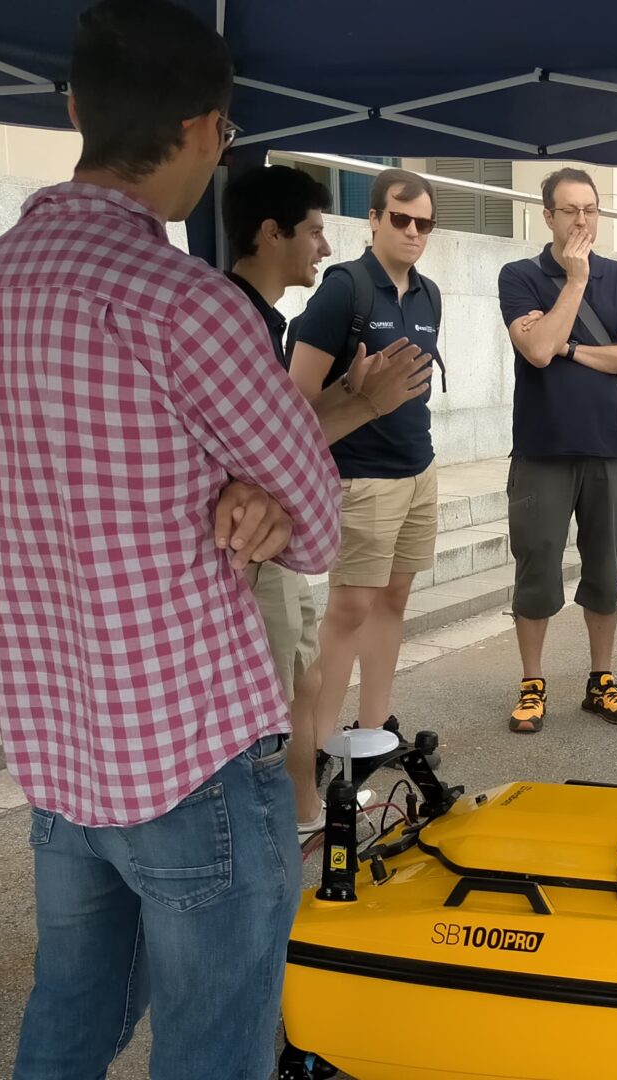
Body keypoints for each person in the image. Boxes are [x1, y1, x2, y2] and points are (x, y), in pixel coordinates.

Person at [0, 2, 401, 1074]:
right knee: (215, 1045)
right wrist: (258, 490)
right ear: (207, 128)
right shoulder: (184, 303)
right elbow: (317, 526)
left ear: (77, 108)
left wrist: (243, 483)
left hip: (57, 748)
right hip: (191, 750)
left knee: (70, 1017)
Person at [221, 164, 427, 836]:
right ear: (270, 233)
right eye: (313, 230)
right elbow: (268, 446)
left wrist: (356, 397)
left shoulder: (256, 316)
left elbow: (282, 426)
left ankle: (308, 810)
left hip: (277, 544)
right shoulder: (235, 319)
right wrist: (363, 403)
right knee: (289, 686)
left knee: (302, 676)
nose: (324, 245)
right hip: (254, 546)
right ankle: (291, 822)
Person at [288, 167, 443, 738]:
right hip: (360, 477)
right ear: (373, 218)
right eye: (400, 218)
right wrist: (355, 391)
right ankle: (321, 742)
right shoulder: (343, 287)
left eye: (424, 223)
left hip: (417, 469)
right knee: (349, 609)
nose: (412, 232)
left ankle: (374, 729)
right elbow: (296, 398)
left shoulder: (430, 294)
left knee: (394, 601)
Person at [496, 167, 617, 733]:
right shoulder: (519, 275)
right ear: (548, 216)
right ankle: (533, 683)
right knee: (536, 568)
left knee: (606, 570)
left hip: (611, 447)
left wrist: (573, 348)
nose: (582, 220)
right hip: (542, 450)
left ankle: (600, 681)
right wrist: (576, 283)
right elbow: (536, 349)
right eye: (570, 210)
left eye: (590, 209)